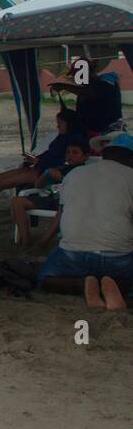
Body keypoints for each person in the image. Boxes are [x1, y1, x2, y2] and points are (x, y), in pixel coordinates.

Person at [36, 133, 133, 311]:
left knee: (44, 278)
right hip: (117, 257)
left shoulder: (74, 174)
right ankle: (117, 287)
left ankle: (82, 284)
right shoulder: (130, 176)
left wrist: (44, 240)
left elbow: (62, 213)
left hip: (74, 254)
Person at [0, 109, 85, 222]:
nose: (57, 126)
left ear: (69, 123)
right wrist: (35, 159)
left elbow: (62, 163)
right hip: (38, 168)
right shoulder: (62, 137)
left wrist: (37, 161)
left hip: (42, 172)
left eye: (60, 123)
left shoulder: (73, 141)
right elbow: (49, 154)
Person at [12, 138, 89, 248]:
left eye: (75, 152)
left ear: (85, 156)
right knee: (17, 201)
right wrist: (46, 173)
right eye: (68, 152)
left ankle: (43, 242)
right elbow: (37, 186)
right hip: (51, 197)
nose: (70, 155)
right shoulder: (62, 167)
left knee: (62, 208)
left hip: (69, 203)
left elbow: (79, 190)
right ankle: (25, 240)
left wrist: (62, 178)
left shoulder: (86, 171)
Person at [50, 56, 124, 137]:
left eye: (78, 74)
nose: (76, 78)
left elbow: (92, 93)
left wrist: (64, 86)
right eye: (74, 75)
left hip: (109, 134)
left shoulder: (106, 81)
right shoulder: (83, 92)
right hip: (91, 135)